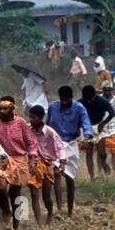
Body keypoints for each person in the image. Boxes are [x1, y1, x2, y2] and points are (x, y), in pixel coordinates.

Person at [0, 97, 37, 230]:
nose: (2, 112)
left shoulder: (20, 123)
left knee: (16, 193)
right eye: (1, 109)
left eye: (6, 109)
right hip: (1, 159)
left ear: (12, 110)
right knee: (1, 186)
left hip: (19, 159)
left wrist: (32, 160)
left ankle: (17, 225)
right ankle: (6, 209)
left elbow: (31, 142)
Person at [46, 86, 93, 217]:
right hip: (56, 143)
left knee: (70, 177)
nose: (65, 102)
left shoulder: (79, 108)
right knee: (56, 173)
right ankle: (60, 209)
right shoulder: (53, 107)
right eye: (62, 99)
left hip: (71, 144)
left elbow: (87, 125)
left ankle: (70, 211)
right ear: (59, 98)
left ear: (71, 98)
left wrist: (87, 137)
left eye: (67, 99)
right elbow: (47, 126)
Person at [27, 105, 65, 225]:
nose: (31, 120)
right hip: (33, 164)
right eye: (30, 117)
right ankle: (39, 224)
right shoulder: (27, 130)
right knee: (34, 193)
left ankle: (50, 213)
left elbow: (60, 147)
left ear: (40, 118)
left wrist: (62, 163)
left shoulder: (49, 132)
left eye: (34, 117)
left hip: (46, 165)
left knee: (46, 197)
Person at [78, 85, 115, 180]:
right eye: (86, 99)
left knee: (102, 153)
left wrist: (103, 124)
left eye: (90, 99)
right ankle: (92, 177)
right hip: (86, 128)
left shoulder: (102, 101)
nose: (88, 101)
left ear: (94, 96)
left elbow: (112, 113)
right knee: (89, 152)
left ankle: (104, 163)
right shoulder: (80, 103)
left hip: (99, 126)